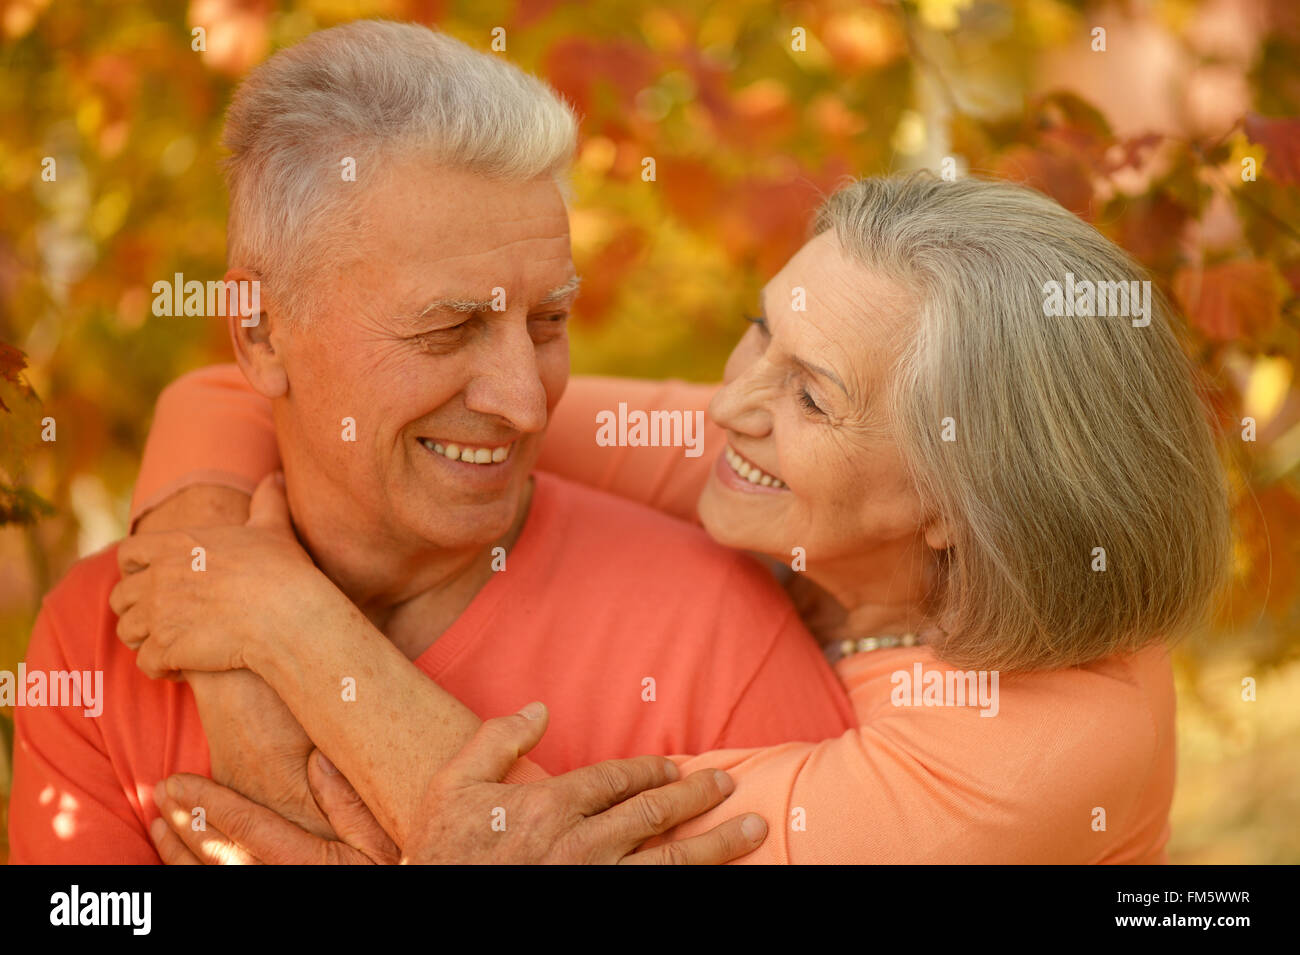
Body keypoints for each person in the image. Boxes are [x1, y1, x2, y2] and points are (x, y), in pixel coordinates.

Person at [117, 172, 1230, 863]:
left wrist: (285, 625)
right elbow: (278, 395)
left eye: (810, 394)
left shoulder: (1040, 750)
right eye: (761, 330)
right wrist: (217, 580)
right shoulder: (766, 453)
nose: (731, 403)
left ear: (960, 503)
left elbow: (575, 854)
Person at [6, 20, 861, 864]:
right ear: (259, 331)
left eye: (549, 321)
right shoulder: (109, 634)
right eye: (450, 330)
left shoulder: (718, 642)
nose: (526, 403)